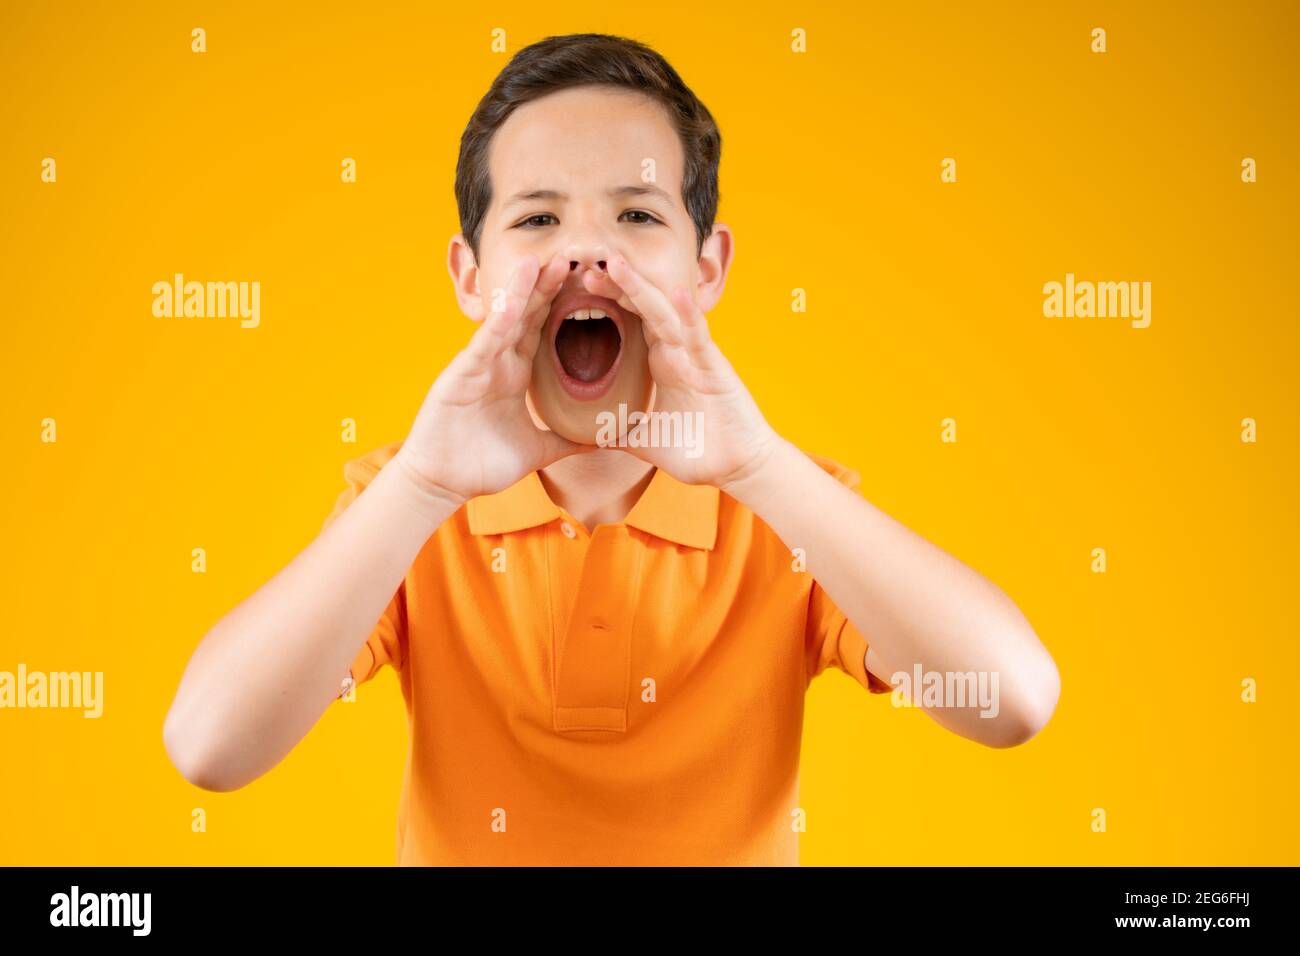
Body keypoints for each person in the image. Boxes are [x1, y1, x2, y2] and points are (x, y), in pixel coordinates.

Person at [163, 32, 1060, 865]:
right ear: (469, 278)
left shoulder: (790, 507)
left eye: (635, 217)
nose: (587, 250)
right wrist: (423, 486)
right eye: (537, 220)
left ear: (706, 269)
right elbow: (208, 745)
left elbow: (1014, 700)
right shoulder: (406, 504)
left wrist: (758, 467)